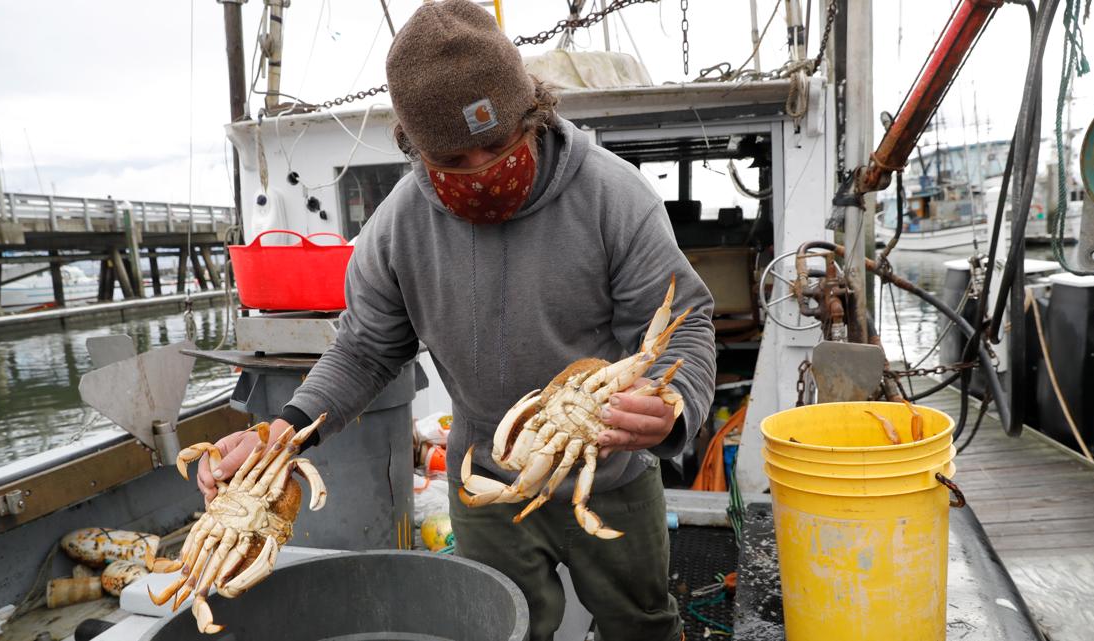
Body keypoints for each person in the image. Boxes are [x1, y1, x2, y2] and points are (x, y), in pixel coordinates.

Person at [197, 2, 716, 639]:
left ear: (535, 112)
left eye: (497, 145)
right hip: (483, 478)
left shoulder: (614, 196)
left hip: (610, 473)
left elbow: (683, 319)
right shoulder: (396, 229)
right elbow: (364, 350)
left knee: (642, 624)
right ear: (414, 147)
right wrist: (287, 428)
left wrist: (673, 406)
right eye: (451, 159)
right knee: (499, 628)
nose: (480, 171)